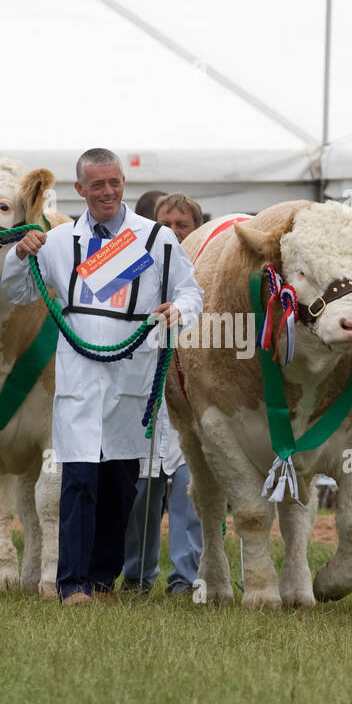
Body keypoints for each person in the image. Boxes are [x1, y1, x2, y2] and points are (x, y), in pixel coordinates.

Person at [1, 149, 203, 604]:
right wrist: (19, 253)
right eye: (97, 185)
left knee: (119, 483)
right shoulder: (58, 243)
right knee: (79, 480)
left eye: (114, 182)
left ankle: (101, 580)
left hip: (132, 373)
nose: (108, 192)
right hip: (78, 376)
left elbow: (192, 293)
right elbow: (17, 291)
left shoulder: (155, 240)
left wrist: (179, 311)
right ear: (80, 190)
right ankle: (71, 583)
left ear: (123, 182)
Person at [122, 191, 205, 595]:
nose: (173, 232)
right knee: (143, 491)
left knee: (191, 493)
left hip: (191, 401)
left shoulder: (206, 271)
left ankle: (188, 579)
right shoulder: (135, 263)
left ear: (196, 230)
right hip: (146, 395)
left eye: (182, 225)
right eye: (165, 224)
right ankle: (137, 576)